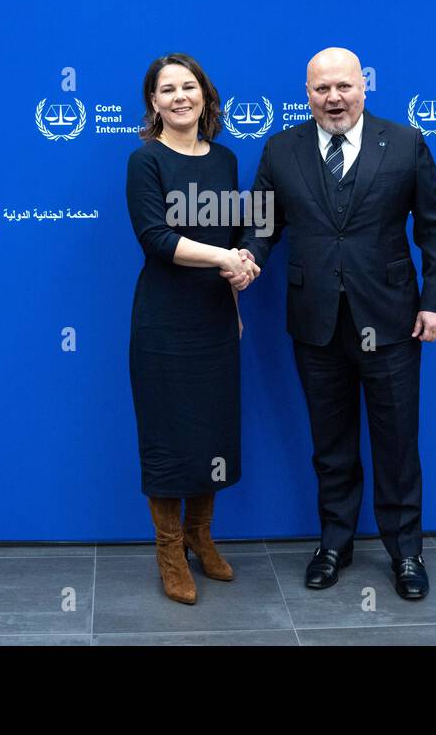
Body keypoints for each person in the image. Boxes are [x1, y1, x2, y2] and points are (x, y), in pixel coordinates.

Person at [225, 46, 436, 600]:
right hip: (316, 321)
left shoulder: (404, 143)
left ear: (363, 87)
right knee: (331, 443)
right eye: (322, 89)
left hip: (394, 319)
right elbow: (261, 222)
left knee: (397, 442)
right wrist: (248, 257)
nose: (333, 98)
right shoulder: (282, 148)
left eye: (343, 87)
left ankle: (406, 552)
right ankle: (335, 543)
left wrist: (435, 301)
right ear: (308, 93)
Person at [125, 52, 256, 605]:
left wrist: (238, 282)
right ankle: (169, 548)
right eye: (167, 89)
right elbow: (156, 239)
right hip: (163, 324)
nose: (180, 97)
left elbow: (237, 229)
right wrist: (227, 257)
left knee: (212, 432)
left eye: (189, 86)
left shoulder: (225, 159)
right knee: (167, 437)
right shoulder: (144, 161)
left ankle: (203, 537)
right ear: (153, 103)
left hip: (214, 320)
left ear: (204, 94)